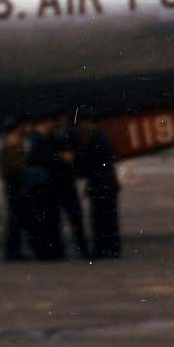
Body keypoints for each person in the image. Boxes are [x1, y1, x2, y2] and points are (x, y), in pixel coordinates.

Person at [29, 120, 85, 259]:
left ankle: (58, 250)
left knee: (58, 219)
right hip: (59, 185)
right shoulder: (54, 137)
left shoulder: (48, 138)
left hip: (56, 185)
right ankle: (74, 249)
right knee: (64, 219)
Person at [71, 109, 123, 258]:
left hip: (102, 185)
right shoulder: (100, 136)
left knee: (101, 219)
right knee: (107, 218)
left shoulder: (96, 138)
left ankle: (104, 248)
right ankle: (110, 248)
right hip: (105, 185)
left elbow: (92, 160)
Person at [0, 127, 34, 262]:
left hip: (13, 185)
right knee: (16, 220)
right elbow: (14, 167)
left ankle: (14, 251)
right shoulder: (12, 143)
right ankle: (13, 252)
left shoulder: (11, 143)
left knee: (16, 219)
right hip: (15, 185)